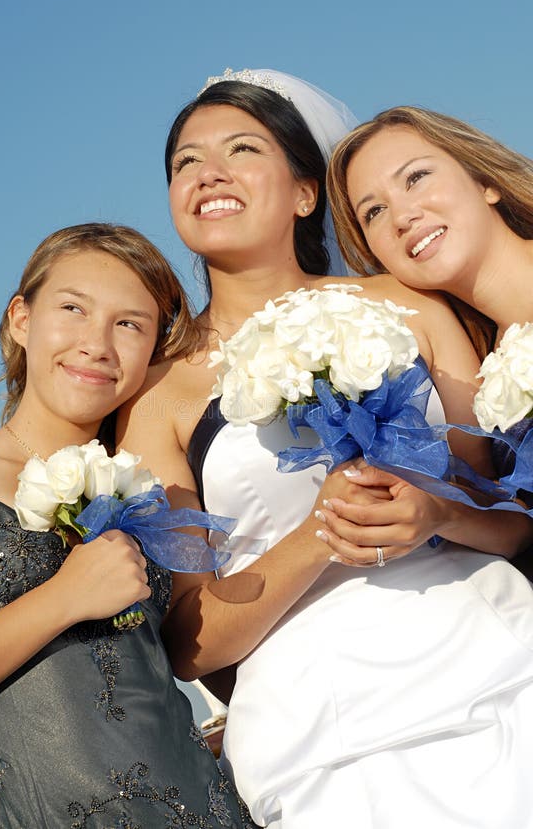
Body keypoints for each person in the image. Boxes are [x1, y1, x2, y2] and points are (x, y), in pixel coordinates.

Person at [118, 71, 533, 828]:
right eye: (186, 161)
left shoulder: (408, 305)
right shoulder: (159, 399)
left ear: (306, 192)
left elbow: (512, 516)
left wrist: (435, 512)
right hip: (319, 730)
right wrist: (316, 537)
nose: (209, 172)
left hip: (491, 666)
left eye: (241, 149)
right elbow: (190, 637)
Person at [0, 222, 258, 828]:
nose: (97, 343)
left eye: (129, 324)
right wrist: (63, 599)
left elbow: (201, 650)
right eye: (73, 308)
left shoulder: (162, 493)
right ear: (22, 319)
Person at [326, 106, 533, 575]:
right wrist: (439, 514)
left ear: (485, 182)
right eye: (374, 211)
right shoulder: (478, 373)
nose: (401, 215)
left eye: (416, 177)